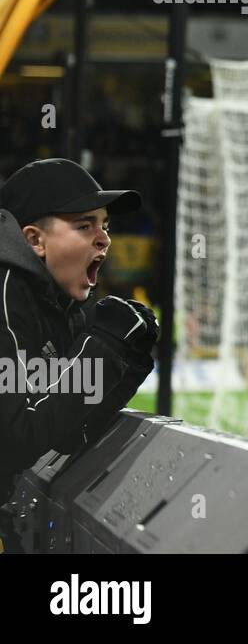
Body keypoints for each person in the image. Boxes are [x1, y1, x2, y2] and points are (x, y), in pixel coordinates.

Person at [0, 159, 159, 551]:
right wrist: (104, 344)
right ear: (35, 240)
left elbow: (69, 432)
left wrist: (127, 359)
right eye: (84, 225)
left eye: (105, 225)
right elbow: (19, 434)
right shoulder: (6, 290)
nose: (104, 238)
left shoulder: (52, 299)